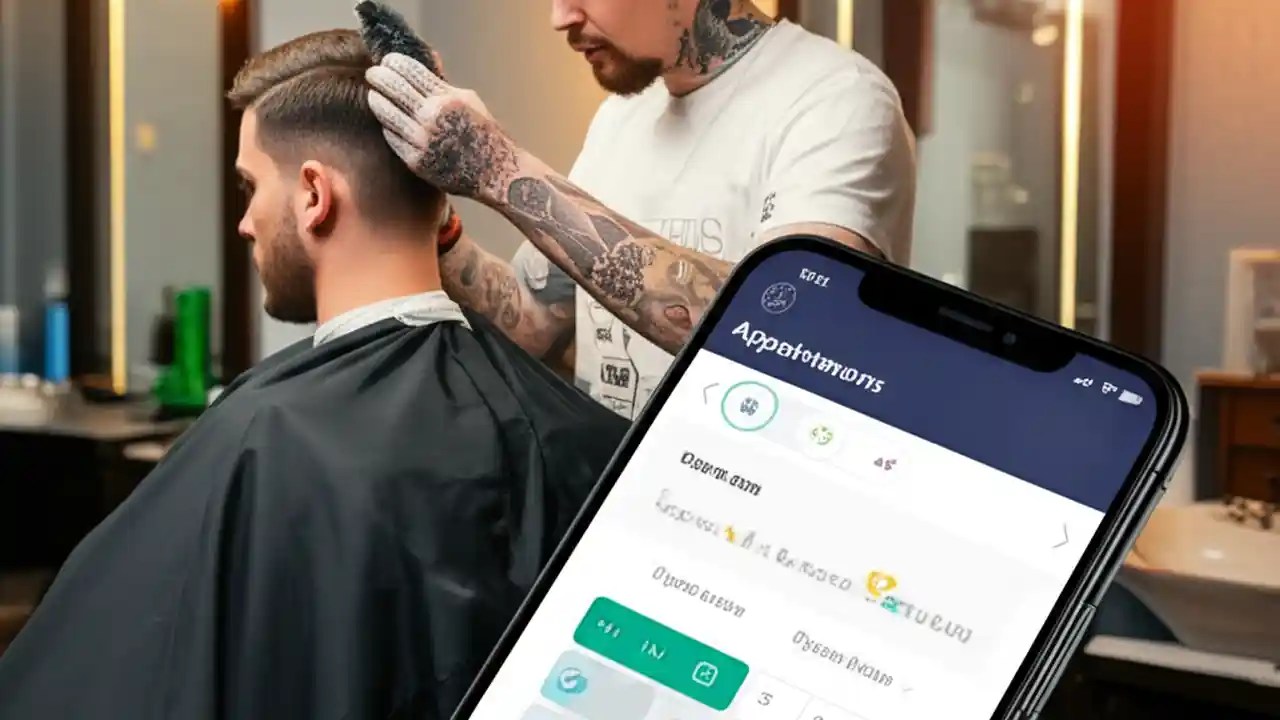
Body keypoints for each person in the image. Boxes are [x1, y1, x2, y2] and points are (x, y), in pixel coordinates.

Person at [0, 28, 627, 719]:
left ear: (312, 194)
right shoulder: (583, 438)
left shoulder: (261, 433)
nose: (244, 221)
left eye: (250, 186)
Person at [364, 0, 917, 418]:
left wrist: (498, 168)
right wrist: (439, 225)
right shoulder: (620, 120)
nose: (561, 17)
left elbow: (794, 332)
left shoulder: (836, 100)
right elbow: (536, 322)